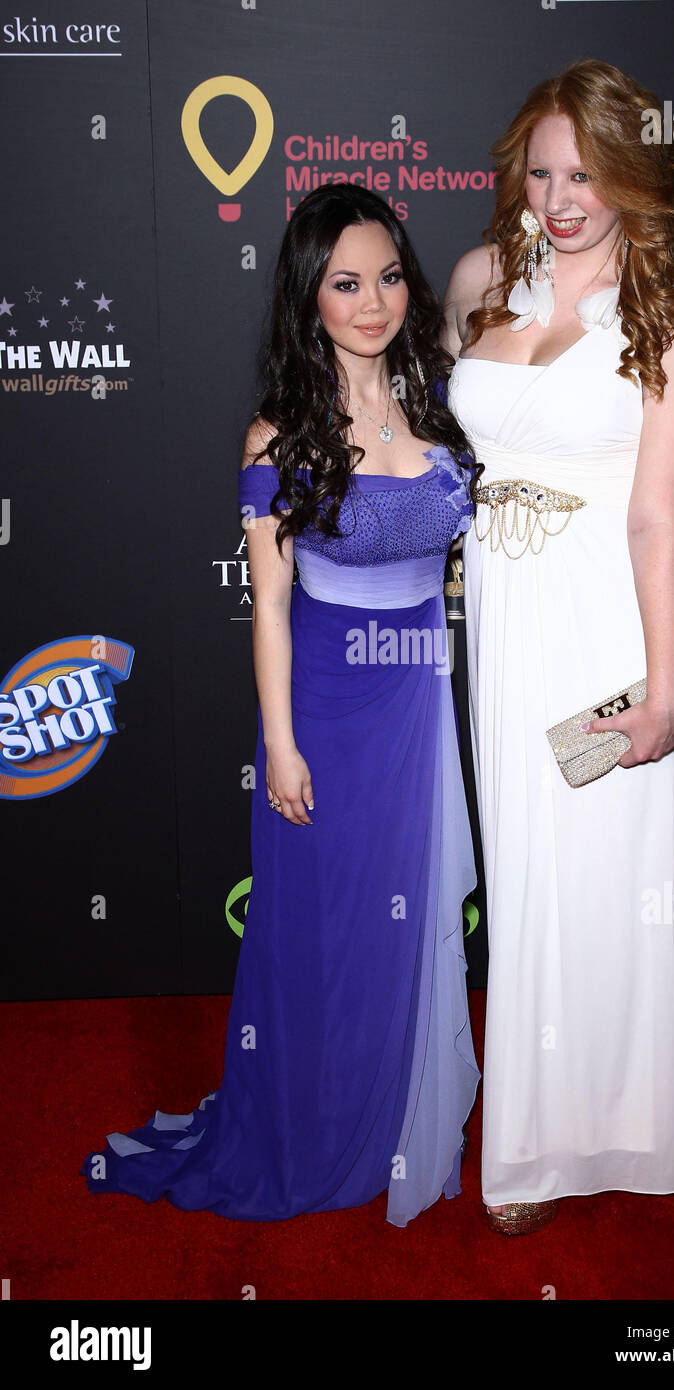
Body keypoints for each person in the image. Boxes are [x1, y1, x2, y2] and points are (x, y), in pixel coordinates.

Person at [80, 184, 482, 1227]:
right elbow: (267, 611)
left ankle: (393, 1117)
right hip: (325, 711)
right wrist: (281, 744)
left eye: (388, 276)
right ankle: (305, 1127)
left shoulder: (440, 406)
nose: (372, 301)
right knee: (317, 936)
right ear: (306, 298)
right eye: (344, 283)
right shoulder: (276, 437)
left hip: (415, 712)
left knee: (399, 932)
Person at [442, 59, 674, 1234]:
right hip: (506, 620)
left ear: (629, 181)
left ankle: (606, 1134)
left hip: (606, 623)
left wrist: (666, 694)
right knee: (528, 877)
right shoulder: (477, 281)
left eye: (586, 175)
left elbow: (657, 521)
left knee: (606, 883)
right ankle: (530, 1137)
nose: (559, 198)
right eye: (542, 171)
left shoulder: (670, 325)